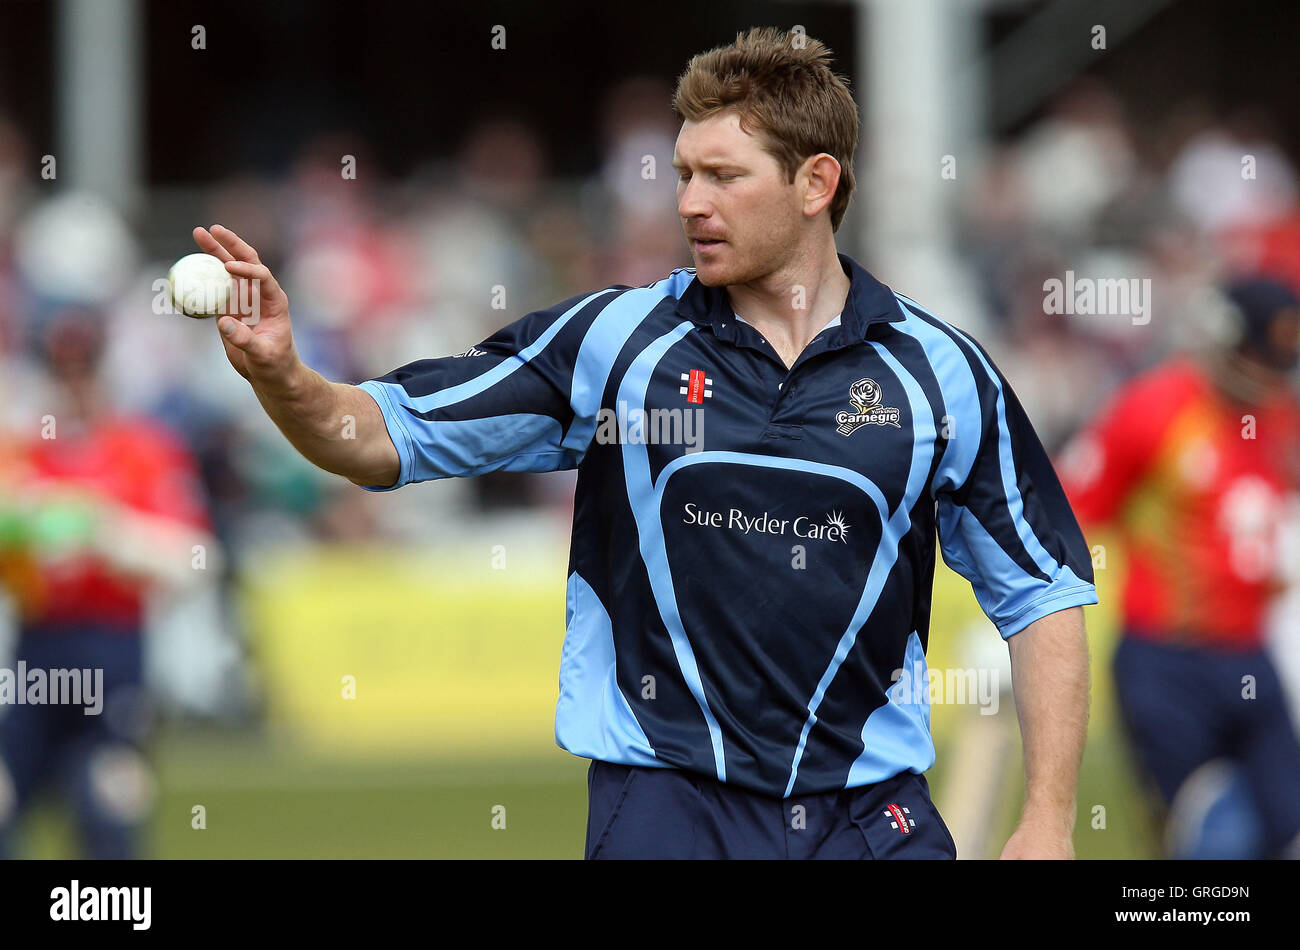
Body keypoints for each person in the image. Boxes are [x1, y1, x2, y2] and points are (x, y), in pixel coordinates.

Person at [193, 27, 1097, 859]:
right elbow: (381, 436)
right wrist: (284, 374)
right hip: (668, 809)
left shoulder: (941, 374)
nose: (690, 203)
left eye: (723, 176)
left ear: (816, 184)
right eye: (681, 174)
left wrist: (1049, 819)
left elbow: (1041, 593)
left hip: (870, 816)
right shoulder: (613, 344)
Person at [1059, 276, 1300, 859]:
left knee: (1288, 829)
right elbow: (1064, 515)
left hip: (1251, 651)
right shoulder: (1155, 409)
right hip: (1167, 661)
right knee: (1215, 843)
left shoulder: (1282, 418)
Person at [0, 308, 218, 858]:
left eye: (85, 367)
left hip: (113, 653)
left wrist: (108, 532)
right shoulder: (21, 457)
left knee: (106, 806)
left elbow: (197, 561)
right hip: (36, 652)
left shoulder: (143, 450)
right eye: (61, 368)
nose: (74, 382)